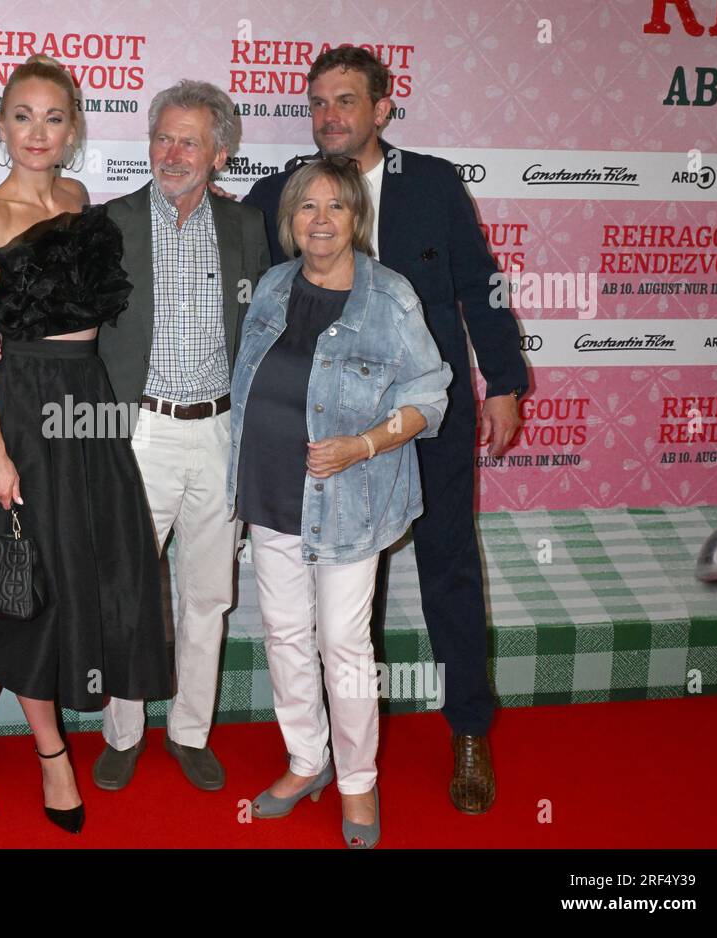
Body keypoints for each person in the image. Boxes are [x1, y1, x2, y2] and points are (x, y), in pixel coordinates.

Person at [242, 47, 528, 814]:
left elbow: (480, 285)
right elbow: (235, 284)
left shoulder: (431, 182)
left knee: (450, 571)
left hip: (422, 422)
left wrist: (503, 382)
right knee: (333, 608)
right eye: (318, 103)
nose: (330, 115)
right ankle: (321, 755)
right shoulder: (281, 192)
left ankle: (469, 730)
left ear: (381, 108)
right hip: (317, 439)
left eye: (345, 100)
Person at [0, 54, 171, 834]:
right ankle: (52, 754)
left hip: (87, 407)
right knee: (38, 581)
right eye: (22, 117)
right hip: (22, 415)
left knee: (38, 580)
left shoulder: (76, 198)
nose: (38, 132)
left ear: (74, 128)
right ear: (0, 127)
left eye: (54, 117)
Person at [230, 156, 450, 847]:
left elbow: (428, 396)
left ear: (358, 216)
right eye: (306, 207)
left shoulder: (390, 298)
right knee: (287, 637)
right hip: (268, 489)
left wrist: (361, 445)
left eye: (336, 207)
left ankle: (358, 783)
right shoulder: (271, 284)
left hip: (350, 501)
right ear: (290, 220)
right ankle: (306, 761)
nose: (320, 221)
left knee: (344, 646)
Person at [93, 81, 270, 792]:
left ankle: (190, 730)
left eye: (188, 141)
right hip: (141, 432)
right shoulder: (110, 223)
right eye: (162, 138)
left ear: (219, 152)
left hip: (221, 430)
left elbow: (264, 334)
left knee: (209, 594)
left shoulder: (247, 229)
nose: (171, 153)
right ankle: (124, 732)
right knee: (128, 592)